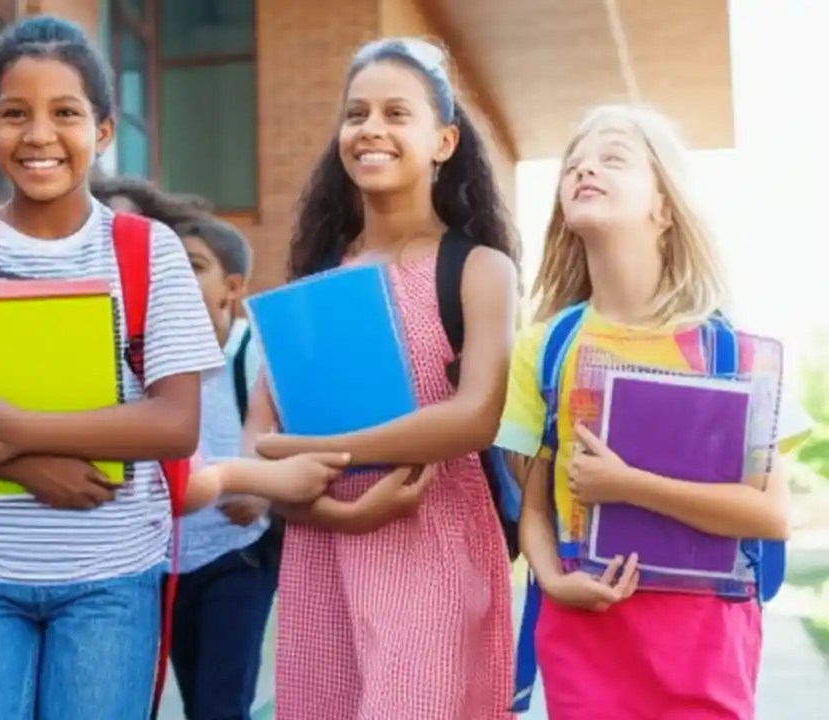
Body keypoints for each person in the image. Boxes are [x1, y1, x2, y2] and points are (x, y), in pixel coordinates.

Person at [0, 16, 225, 720]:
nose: (39, 135)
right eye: (14, 114)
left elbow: (174, 424)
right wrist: (22, 461)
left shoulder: (148, 252)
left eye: (66, 113)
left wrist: (21, 426)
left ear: (104, 131)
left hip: (113, 580)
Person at [497, 104, 809, 720]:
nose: (585, 169)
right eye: (573, 165)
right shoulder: (545, 348)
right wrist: (554, 583)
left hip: (703, 641)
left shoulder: (735, 356)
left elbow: (770, 517)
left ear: (663, 208)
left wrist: (628, 486)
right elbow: (533, 507)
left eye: (612, 157)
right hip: (584, 625)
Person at [247, 38, 521, 719]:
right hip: (323, 548)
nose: (370, 129)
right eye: (356, 114)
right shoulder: (313, 286)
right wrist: (335, 508)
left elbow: (474, 417)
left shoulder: (479, 269)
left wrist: (328, 452)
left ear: (444, 140)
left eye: (397, 113)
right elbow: (260, 442)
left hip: (435, 539)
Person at [168, 215, 275, 720]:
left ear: (232, 287)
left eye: (193, 266)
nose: (176, 276)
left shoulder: (255, 355)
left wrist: (264, 492)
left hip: (239, 553)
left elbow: (297, 439)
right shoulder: (152, 360)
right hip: (168, 558)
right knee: (192, 698)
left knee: (220, 704)